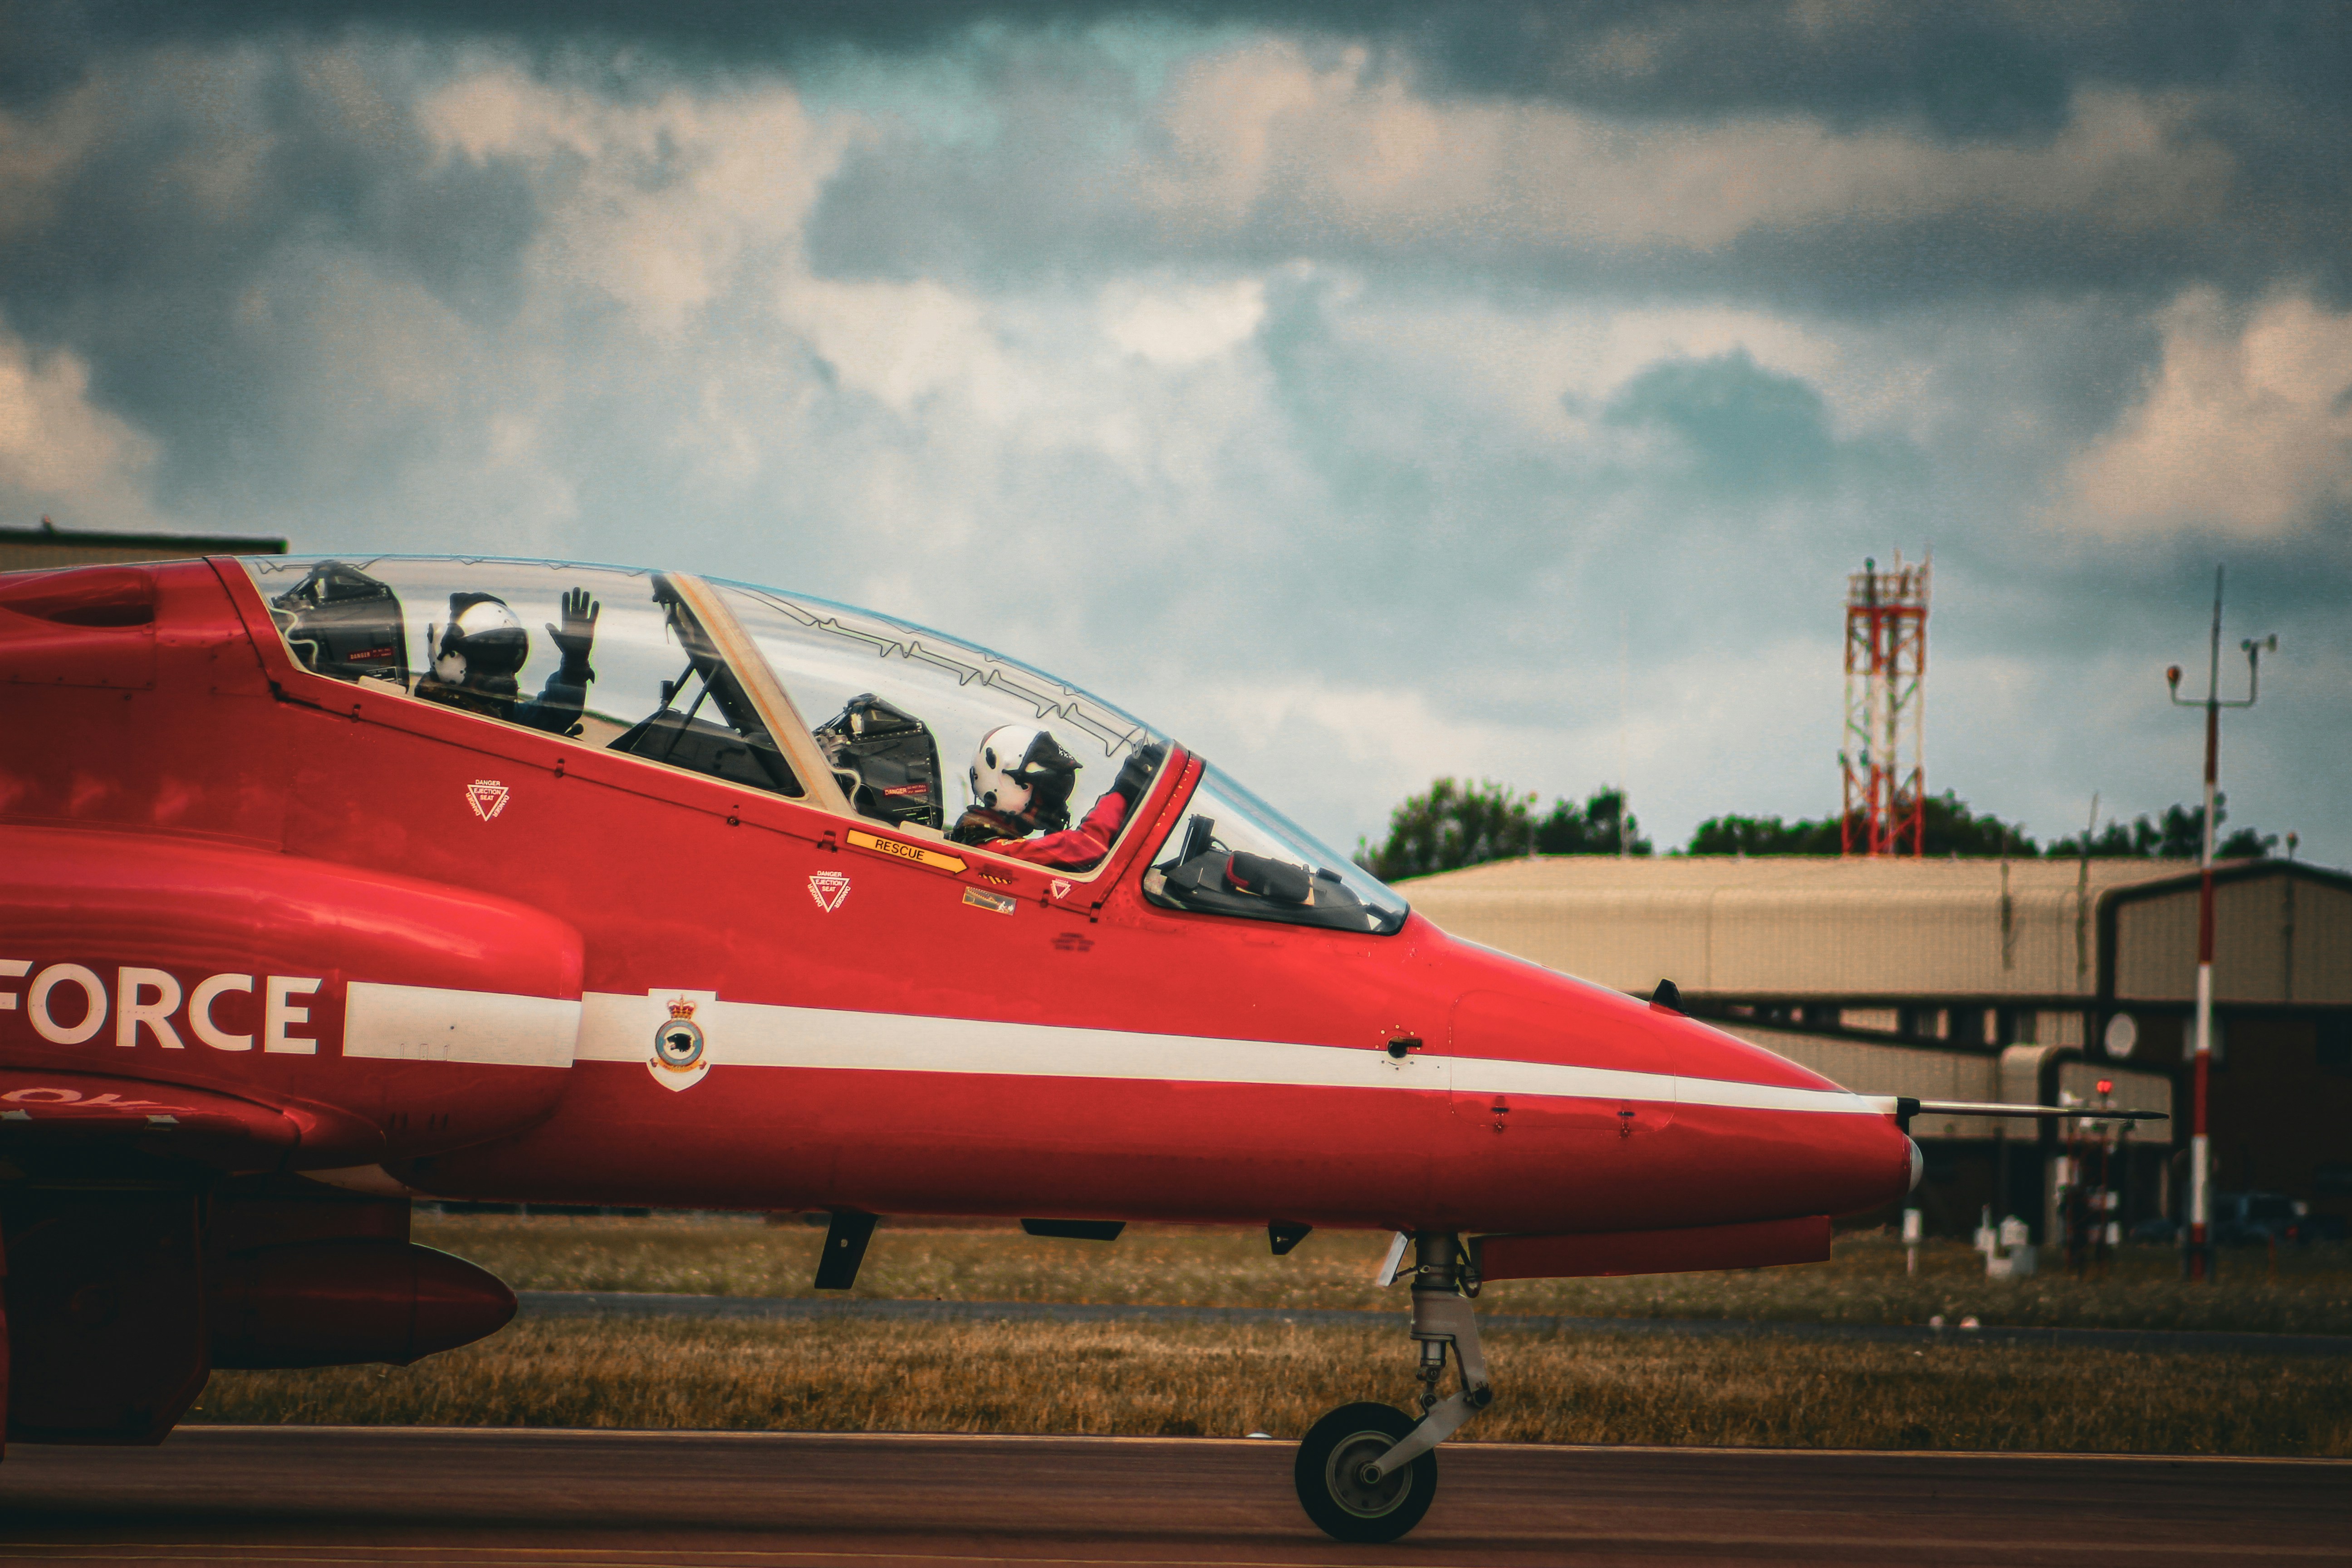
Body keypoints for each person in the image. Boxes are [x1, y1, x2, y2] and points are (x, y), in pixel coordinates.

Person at [949, 728, 1165, 871]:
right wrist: (1122, 792)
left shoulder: (986, 842)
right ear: (1008, 784)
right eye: (1048, 792)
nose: (1054, 805)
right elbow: (1087, 846)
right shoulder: (988, 851)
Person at [416, 587, 600, 737]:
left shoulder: (498, 715)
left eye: (509, 661)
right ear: (449, 655)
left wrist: (573, 668)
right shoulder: (423, 725)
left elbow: (551, 716)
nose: (504, 676)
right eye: (492, 662)